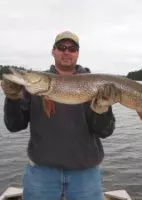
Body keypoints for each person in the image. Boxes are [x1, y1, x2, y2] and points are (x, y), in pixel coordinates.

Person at [1, 31, 116, 200]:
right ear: (53, 51)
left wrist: (102, 110)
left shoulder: (96, 85)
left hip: (85, 174)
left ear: (78, 53)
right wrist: (12, 99)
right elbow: (14, 126)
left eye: (72, 48)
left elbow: (105, 132)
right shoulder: (34, 87)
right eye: (61, 47)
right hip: (42, 173)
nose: (66, 52)